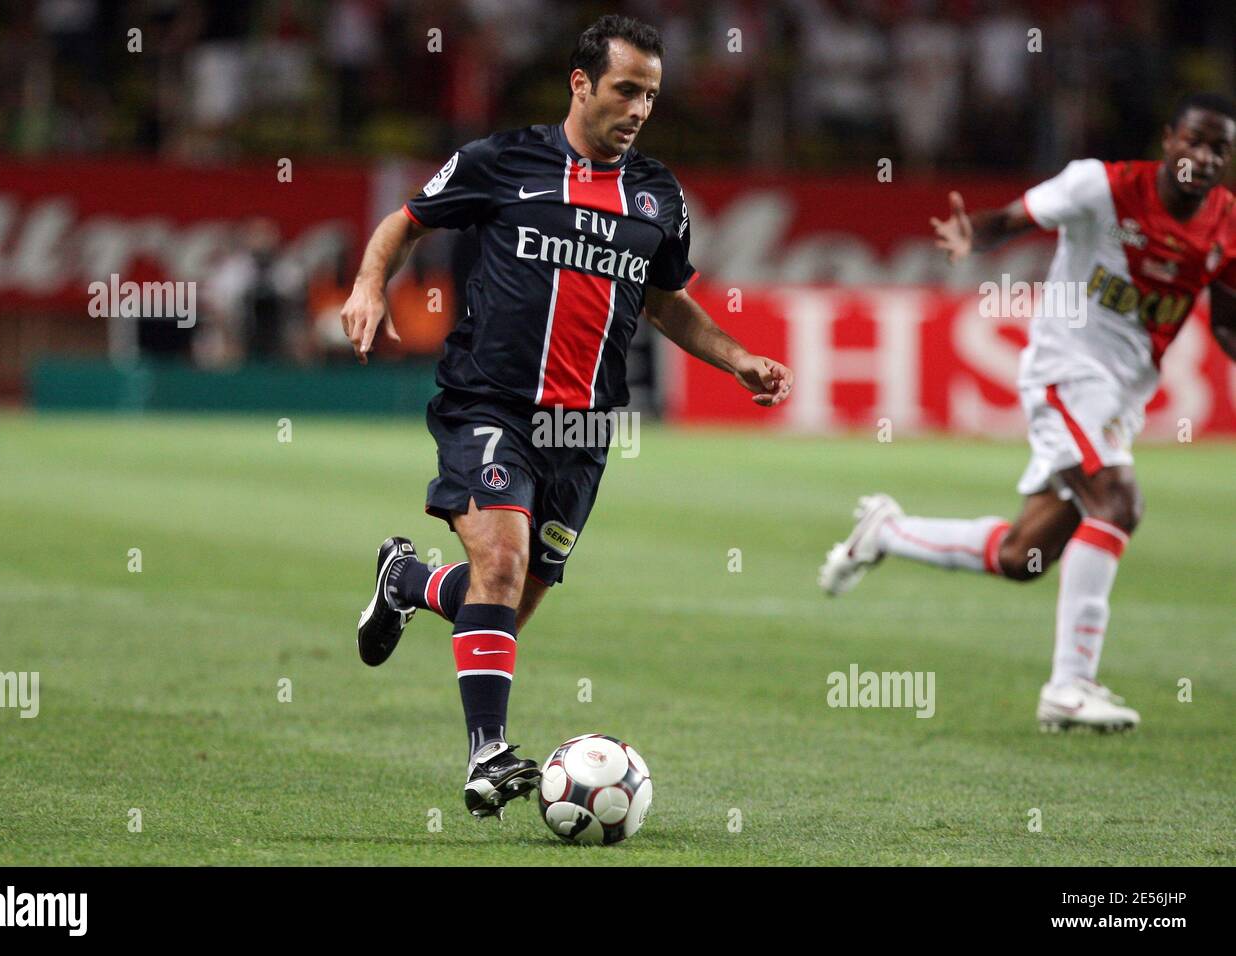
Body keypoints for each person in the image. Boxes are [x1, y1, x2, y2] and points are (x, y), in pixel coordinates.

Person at [341, 15, 793, 817]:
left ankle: (406, 579)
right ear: (580, 83)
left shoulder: (657, 194)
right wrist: (371, 285)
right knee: (503, 561)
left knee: (511, 598)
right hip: (490, 402)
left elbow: (665, 302)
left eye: (650, 95)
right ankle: (488, 756)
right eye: (626, 90)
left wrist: (738, 358)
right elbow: (405, 222)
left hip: (583, 429)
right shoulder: (504, 161)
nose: (639, 109)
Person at [819, 92, 1236, 732]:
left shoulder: (1226, 222)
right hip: (1065, 374)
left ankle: (887, 532)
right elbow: (1013, 219)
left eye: (1220, 149)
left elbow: (1229, 325)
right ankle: (1069, 689)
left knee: (1024, 557)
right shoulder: (1101, 185)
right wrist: (971, 235)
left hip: (1121, 400)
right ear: (1168, 138)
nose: (1204, 159)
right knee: (1119, 503)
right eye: (1195, 141)